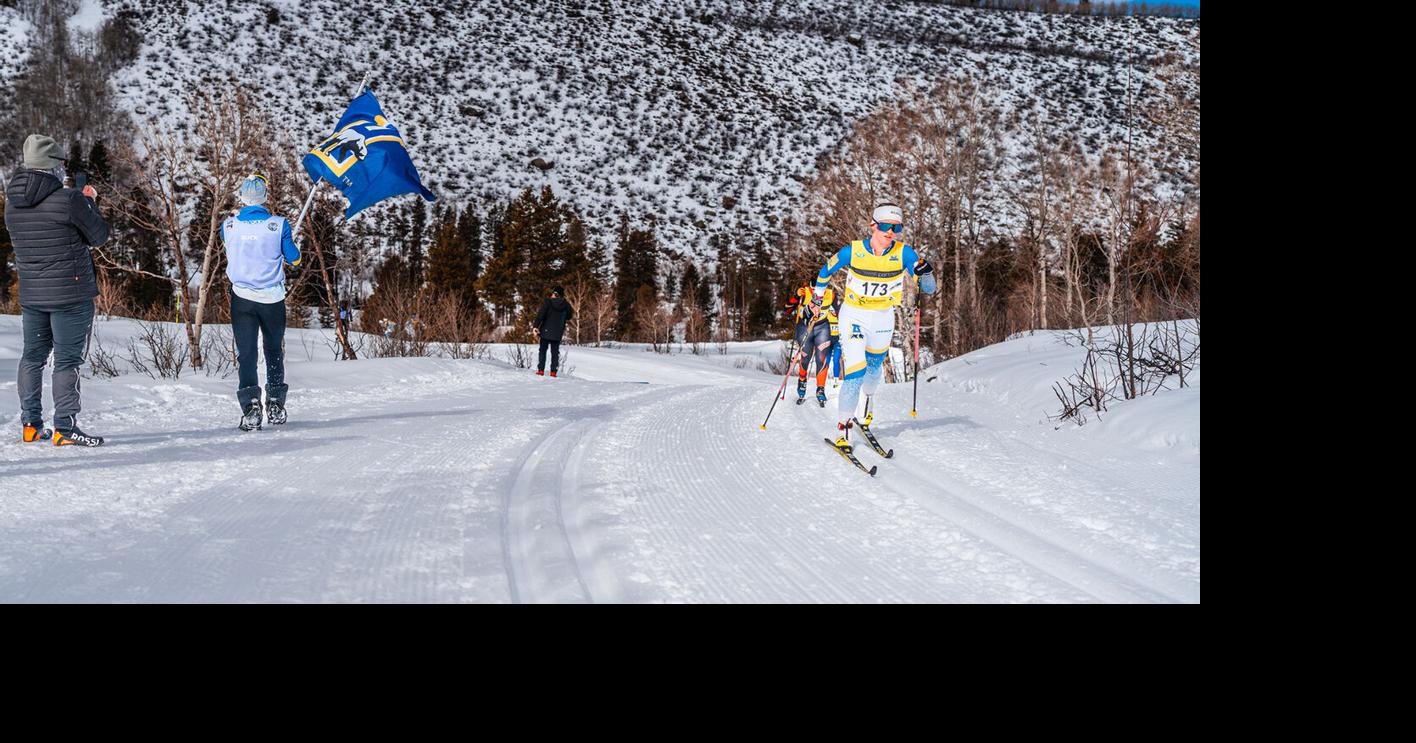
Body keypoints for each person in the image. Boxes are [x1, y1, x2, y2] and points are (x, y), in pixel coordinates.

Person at [5, 134, 110, 446]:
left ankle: (30, 424)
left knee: (32, 357)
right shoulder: (69, 200)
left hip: (33, 295)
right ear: (53, 166)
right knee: (67, 360)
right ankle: (65, 427)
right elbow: (99, 235)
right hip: (71, 295)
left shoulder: (12, 203)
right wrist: (88, 201)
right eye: (62, 163)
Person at [810, 201, 936, 453]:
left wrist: (926, 273)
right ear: (873, 226)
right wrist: (816, 299)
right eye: (886, 226)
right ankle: (843, 428)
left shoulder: (904, 253)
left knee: (874, 369)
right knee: (855, 371)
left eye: (896, 227)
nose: (891, 232)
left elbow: (929, 288)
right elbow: (824, 272)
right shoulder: (852, 251)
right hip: (854, 315)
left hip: (883, 317)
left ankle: (868, 403)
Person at [222, 173, 301, 431]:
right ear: (265, 196)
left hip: (242, 299)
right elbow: (295, 259)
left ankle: (251, 408)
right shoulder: (278, 225)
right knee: (273, 350)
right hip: (272, 299)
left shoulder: (229, 226)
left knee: (246, 354)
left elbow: (232, 249)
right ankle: (276, 404)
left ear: (242, 197)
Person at [794, 287, 838, 407]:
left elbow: (838, 312)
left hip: (822, 328)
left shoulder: (831, 294)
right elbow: (790, 305)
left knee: (821, 359)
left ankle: (820, 390)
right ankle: (802, 384)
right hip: (805, 328)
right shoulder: (805, 291)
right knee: (805, 358)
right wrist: (797, 295)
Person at [533, 285, 573, 377]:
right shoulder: (566, 304)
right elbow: (569, 316)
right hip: (557, 332)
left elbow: (541, 315)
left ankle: (541, 370)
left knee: (543, 350)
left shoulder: (548, 302)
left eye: (553, 293)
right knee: (555, 352)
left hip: (545, 331)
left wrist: (536, 326)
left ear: (555, 294)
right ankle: (553, 372)